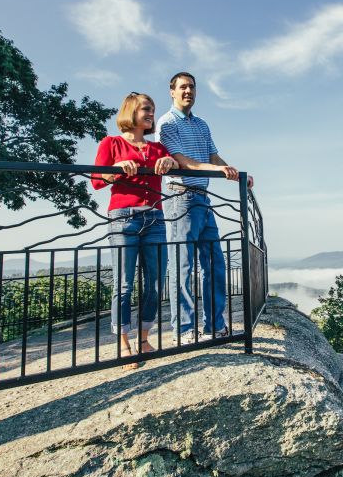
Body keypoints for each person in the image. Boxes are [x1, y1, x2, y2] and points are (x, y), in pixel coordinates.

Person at [157, 72, 253, 344]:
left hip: (203, 198)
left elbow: (212, 156)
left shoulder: (201, 124)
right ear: (172, 91)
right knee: (183, 266)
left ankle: (215, 326)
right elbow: (181, 161)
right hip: (180, 197)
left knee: (215, 264)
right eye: (183, 87)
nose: (188, 91)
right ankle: (185, 329)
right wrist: (217, 169)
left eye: (192, 87)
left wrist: (234, 172)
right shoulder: (166, 123)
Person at [92, 92, 176, 369]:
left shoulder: (157, 148)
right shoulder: (112, 143)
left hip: (155, 217)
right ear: (131, 112)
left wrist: (170, 163)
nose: (151, 113)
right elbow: (97, 180)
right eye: (146, 109)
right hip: (123, 218)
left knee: (154, 282)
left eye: (152, 109)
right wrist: (114, 169)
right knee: (124, 284)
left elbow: (172, 164)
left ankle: (143, 338)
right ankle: (123, 344)